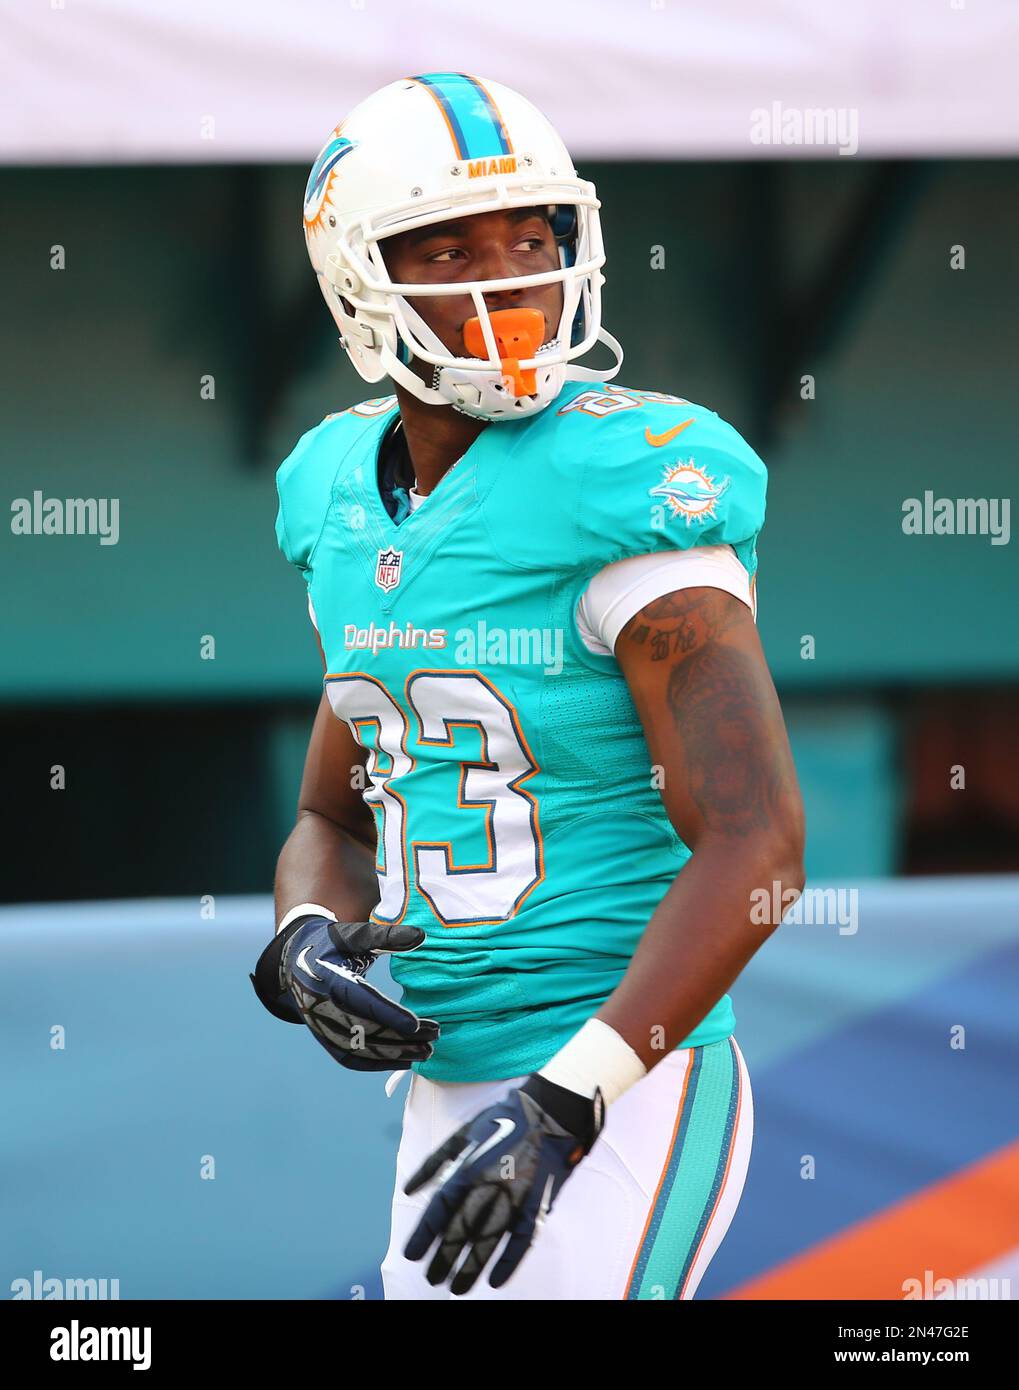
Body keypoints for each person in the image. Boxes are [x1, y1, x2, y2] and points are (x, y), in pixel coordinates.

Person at [250, 71, 805, 1301]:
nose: (508, 276)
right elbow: (333, 813)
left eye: (531, 236)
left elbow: (757, 841)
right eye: (448, 247)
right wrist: (300, 939)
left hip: (620, 1082)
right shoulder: (339, 491)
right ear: (358, 282)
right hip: (448, 1085)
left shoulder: (628, 480)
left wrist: (567, 1102)